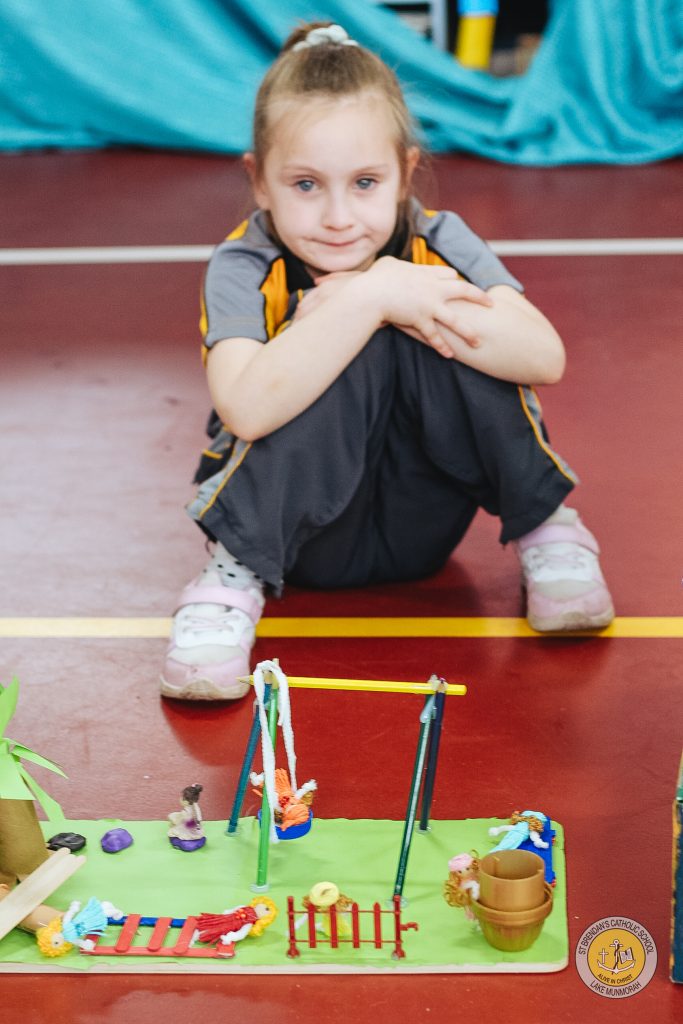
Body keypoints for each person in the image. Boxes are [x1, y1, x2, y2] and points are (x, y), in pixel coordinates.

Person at [160, 21, 614, 702]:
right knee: (362, 327)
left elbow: (543, 356)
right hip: (295, 541)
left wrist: (400, 294)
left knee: (444, 320)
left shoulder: (437, 239)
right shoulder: (242, 264)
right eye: (306, 185)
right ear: (259, 183)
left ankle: (546, 529)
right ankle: (230, 582)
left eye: (365, 182)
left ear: (405, 172)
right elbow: (246, 406)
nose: (339, 217)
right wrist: (369, 296)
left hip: (419, 522)